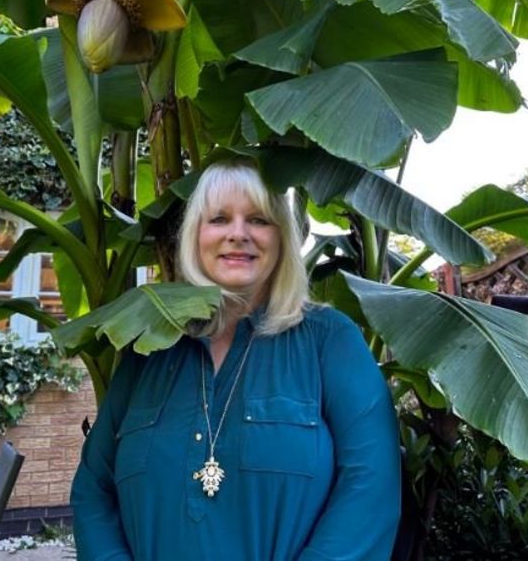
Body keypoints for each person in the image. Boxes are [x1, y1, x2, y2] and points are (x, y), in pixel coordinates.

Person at [71, 160, 402, 560]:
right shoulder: (151, 349)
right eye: (219, 219)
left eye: (258, 220)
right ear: (194, 236)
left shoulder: (329, 341)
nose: (238, 234)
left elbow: (371, 487)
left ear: (282, 237)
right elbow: (93, 489)